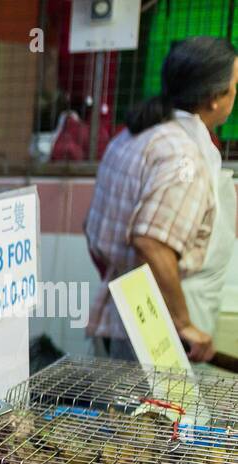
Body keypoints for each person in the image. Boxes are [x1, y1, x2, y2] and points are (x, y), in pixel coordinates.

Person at [85, 36, 238, 363]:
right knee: (155, 413)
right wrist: (183, 323)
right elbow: (151, 242)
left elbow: (93, 227)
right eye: (234, 86)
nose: (235, 95)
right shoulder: (184, 155)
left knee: (124, 408)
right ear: (214, 98)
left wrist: (120, 276)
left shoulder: (132, 135)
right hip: (156, 322)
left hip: (119, 311)